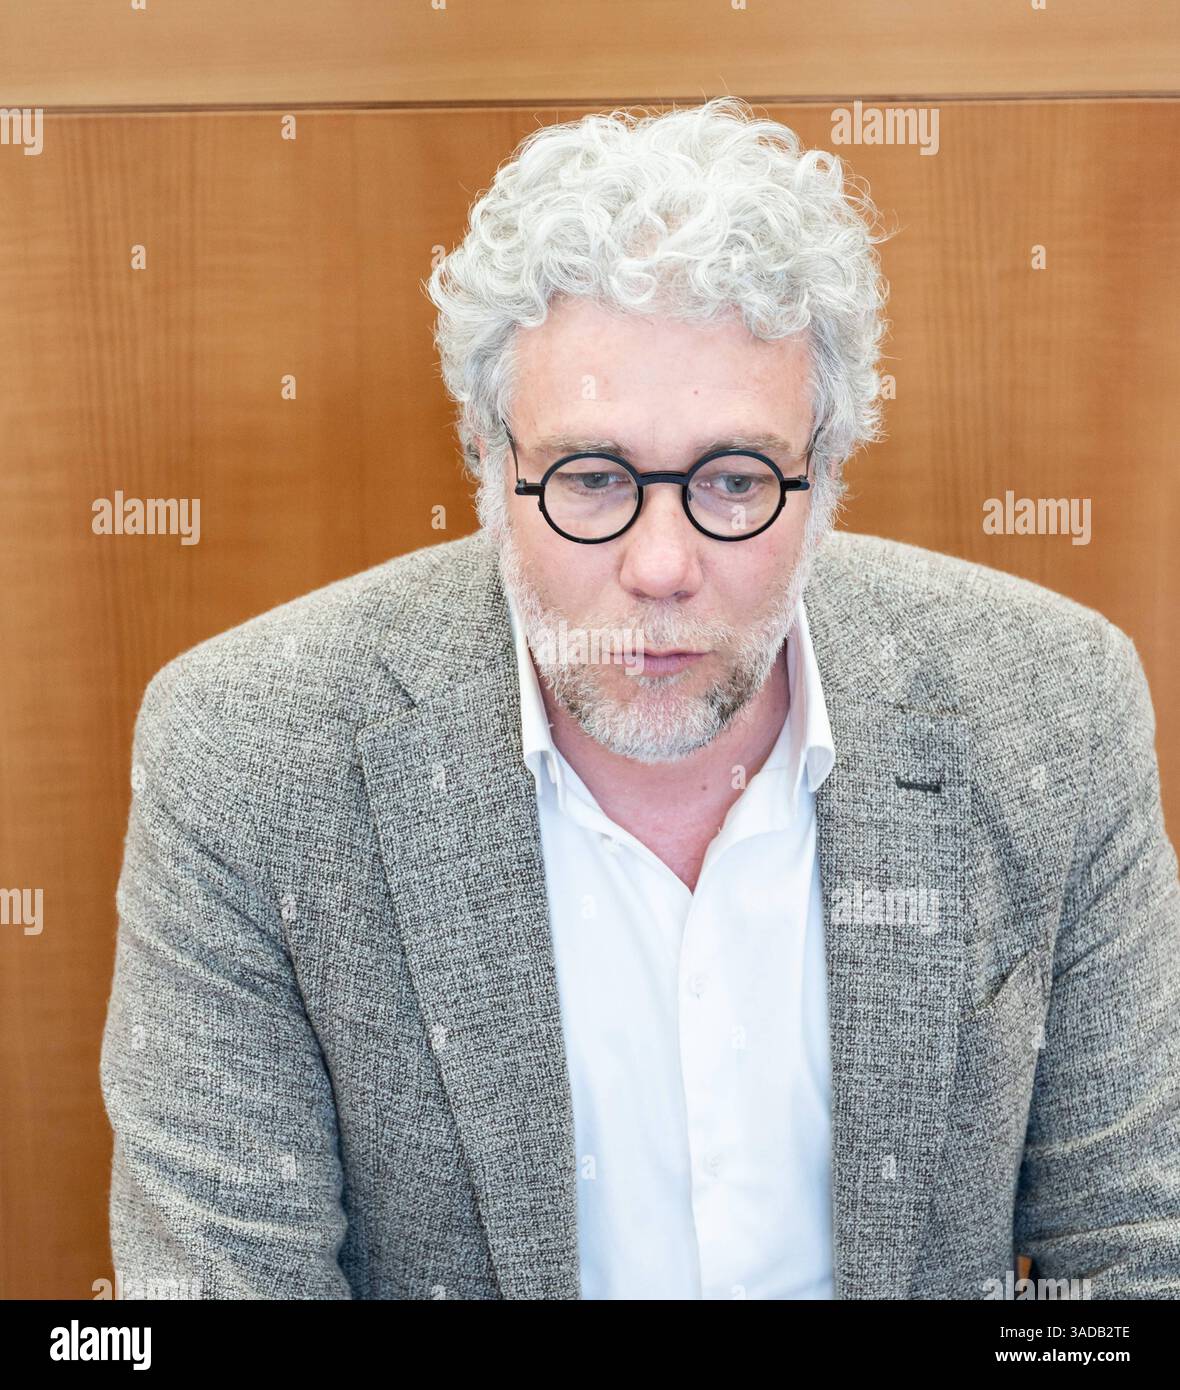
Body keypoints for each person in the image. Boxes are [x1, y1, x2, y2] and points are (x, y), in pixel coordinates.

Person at [100, 96, 1180, 1300]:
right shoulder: (246, 757)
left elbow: (1134, 1263)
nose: (660, 567)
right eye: (592, 475)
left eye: (730, 479)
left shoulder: (1053, 712)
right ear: (487, 463)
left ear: (823, 475)